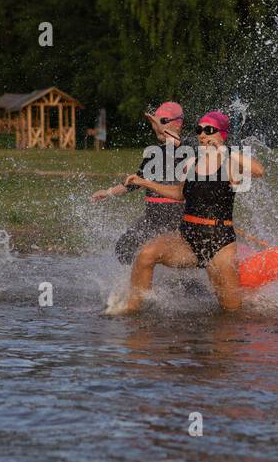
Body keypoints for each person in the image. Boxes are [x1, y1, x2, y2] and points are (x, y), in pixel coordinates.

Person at [108, 110, 264, 314]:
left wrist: (224, 150)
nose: (202, 135)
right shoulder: (192, 163)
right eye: (199, 130)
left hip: (220, 242)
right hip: (187, 238)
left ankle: (254, 304)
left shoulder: (231, 162)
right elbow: (180, 194)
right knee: (146, 254)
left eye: (209, 130)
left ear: (221, 134)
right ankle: (132, 311)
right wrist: (145, 182)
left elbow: (259, 171)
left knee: (231, 312)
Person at [92, 101, 190, 264]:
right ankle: (136, 285)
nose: (156, 126)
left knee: (174, 259)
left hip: (180, 220)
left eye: (163, 121)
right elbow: (134, 183)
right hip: (153, 219)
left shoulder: (191, 148)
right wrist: (108, 192)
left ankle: (186, 283)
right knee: (124, 248)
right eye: (155, 122)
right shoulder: (154, 153)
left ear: (178, 124)